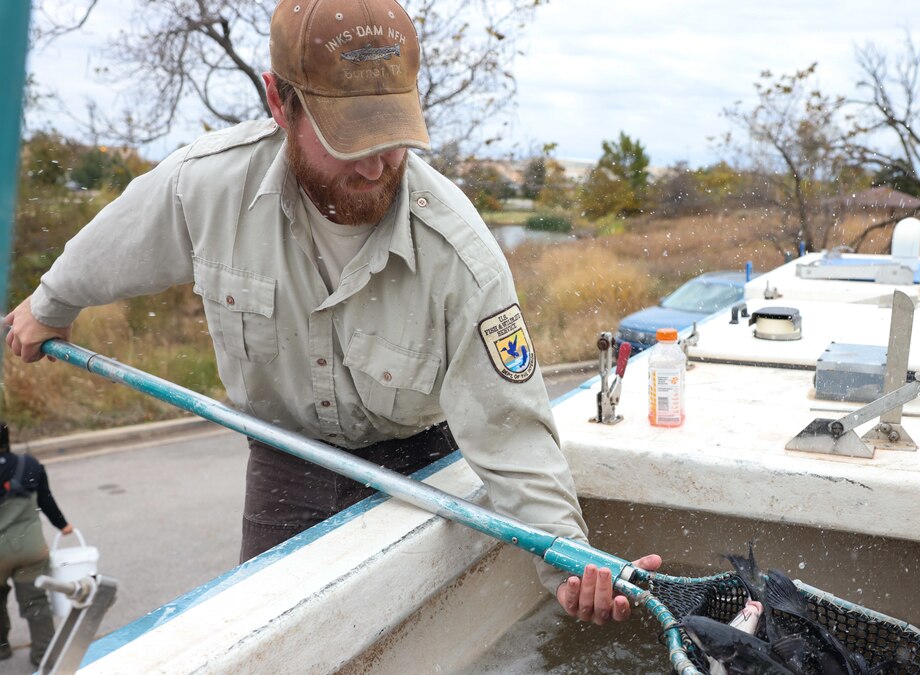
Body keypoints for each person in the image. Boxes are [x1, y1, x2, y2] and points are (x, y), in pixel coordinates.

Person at [4, 0, 656, 624]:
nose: (376, 165)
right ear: (278, 101)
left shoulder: (462, 257)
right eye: (351, 138)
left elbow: (513, 435)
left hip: (420, 465)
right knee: (264, 639)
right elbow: (118, 242)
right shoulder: (206, 185)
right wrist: (51, 304)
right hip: (284, 463)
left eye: (393, 135)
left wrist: (566, 560)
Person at [0, 424, 73, 666]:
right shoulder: (29, 466)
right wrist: (63, 525)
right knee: (36, 602)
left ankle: (1, 648)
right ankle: (44, 654)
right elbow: (46, 500)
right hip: (30, 548)